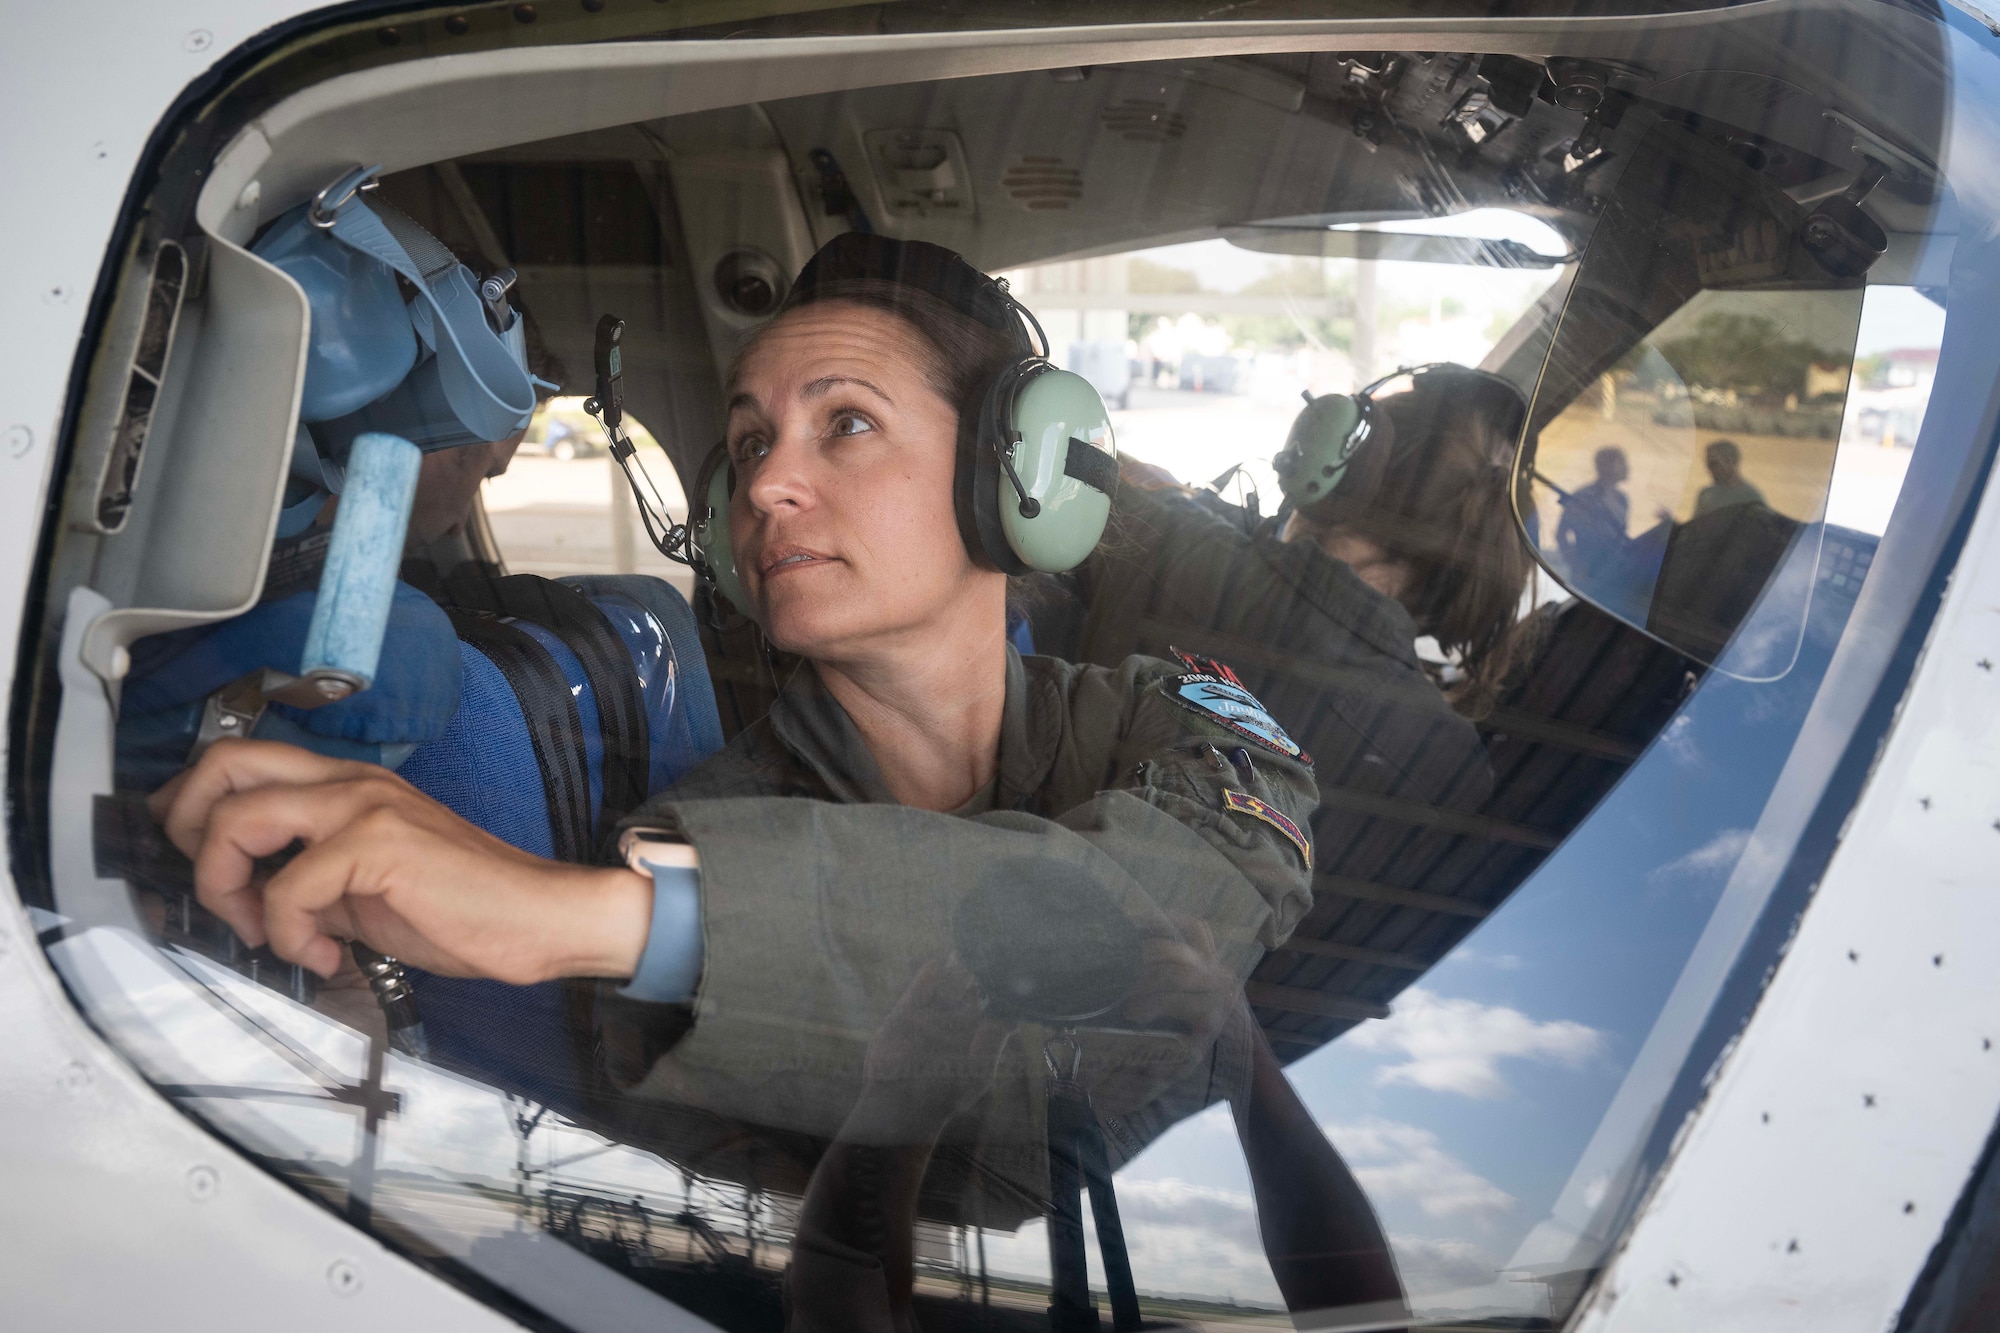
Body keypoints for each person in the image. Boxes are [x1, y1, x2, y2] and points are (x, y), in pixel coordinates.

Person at [154, 233, 1322, 1179]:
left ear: (1020, 478)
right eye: (750, 440)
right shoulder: (686, 836)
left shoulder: (1182, 724)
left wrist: (575, 917)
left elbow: (1162, 923)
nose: (766, 482)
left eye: (845, 422)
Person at [1555, 444, 1632, 583]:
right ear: (1607, 467)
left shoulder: (1622, 499)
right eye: (1621, 462)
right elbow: (1561, 533)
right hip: (1588, 574)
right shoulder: (1584, 497)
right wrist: (1576, 566)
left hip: (1614, 573)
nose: (1627, 467)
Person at [1693, 437, 1766, 517]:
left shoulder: (1750, 497)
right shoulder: (1706, 495)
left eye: (1713, 464)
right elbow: (1695, 527)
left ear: (1730, 461)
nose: (1709, 469)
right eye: (1708, 464)